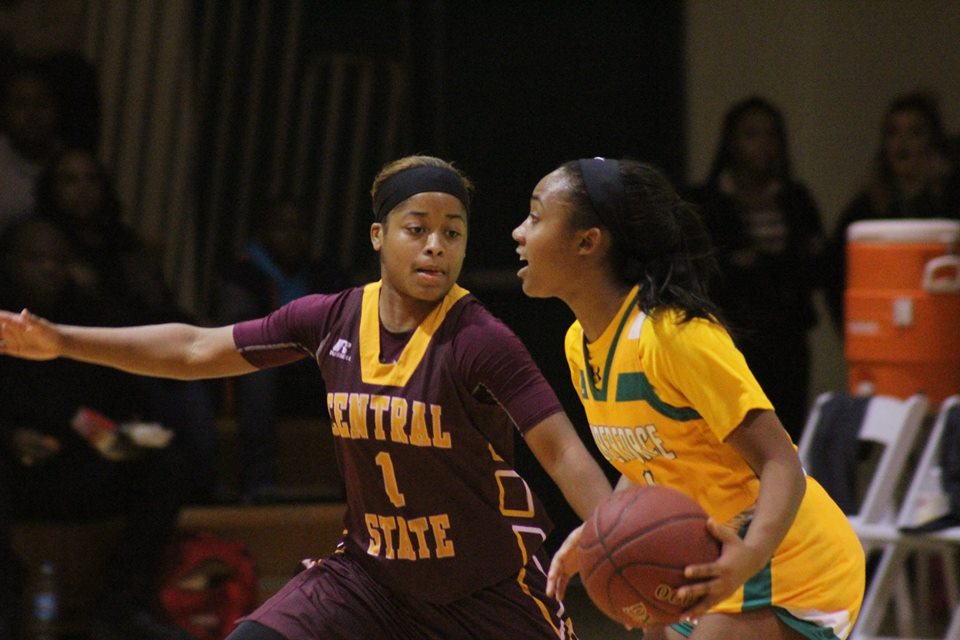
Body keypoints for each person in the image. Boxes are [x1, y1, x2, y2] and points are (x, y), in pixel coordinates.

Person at [0, 155, 614, 640]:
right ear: (378, 235)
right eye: (417, 229)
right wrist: (62, 341)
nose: (435, 246)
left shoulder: (482, 340)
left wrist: (612, 534)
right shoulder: (331, 319)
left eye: (452, 233)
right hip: (372, 579)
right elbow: (193, 350)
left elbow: (562, 453)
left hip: (483, 593)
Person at [512, 157, 865, 639]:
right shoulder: (581, 342)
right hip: (695, 562)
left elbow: (782, 463)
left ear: (587, 241)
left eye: (534, 217)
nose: (518, 232)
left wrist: (747, 557)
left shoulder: (677, 337)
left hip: (787, 564)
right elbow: (649, 459)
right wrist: (607, 536)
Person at [0, 217, 192, 640]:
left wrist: (125, 434)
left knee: (168, 465)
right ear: (10, 262)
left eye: (58, 259)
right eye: (36, 258)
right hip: (18, 468)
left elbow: (127, 395)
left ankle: (121, 607)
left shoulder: (87, 313)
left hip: (81, 460)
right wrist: (10, 436)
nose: (50, 268)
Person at [35, 146, 220, 501]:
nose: (83, 189)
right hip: (76, 365)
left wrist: (198, 325)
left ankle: (202, 495)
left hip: (141, 351)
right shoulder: (43, 244)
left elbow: (153, 306)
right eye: (70, 180)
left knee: (193, 388)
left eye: (91, 179)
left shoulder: (121, 242)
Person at [687, 96, 827, 441]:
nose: (762, 145)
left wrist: (755, 264)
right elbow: (707, 271)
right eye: (751, 134)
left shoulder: (795, 199)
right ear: (731, 142)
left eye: (770, 135)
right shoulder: (706, 202)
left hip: (788, 338)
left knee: (790, 434)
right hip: (731, 337)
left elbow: (816, 264)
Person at [217, 197, 349, 502]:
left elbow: (346, 323)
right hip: (262, 362)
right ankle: (259, 482)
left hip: (311, 365)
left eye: (300, 228)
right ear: (264, 232)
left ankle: (359, 486)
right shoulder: (243, 271)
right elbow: (239, 328)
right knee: (258, 371)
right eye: (282, 227)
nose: (292, 236)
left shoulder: (322, 272)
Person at [825, 90, 960, 330]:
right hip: (886, 328)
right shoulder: (865, 209)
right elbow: (836, 277)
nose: (903, 143)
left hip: (943, 327)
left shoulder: (951, 198)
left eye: (915, 132)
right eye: (893, 132)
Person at [0, 57, 62, 233]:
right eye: (21, 105)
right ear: (5, 110)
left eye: (42, 105)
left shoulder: (72, 164)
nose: (32, 115)